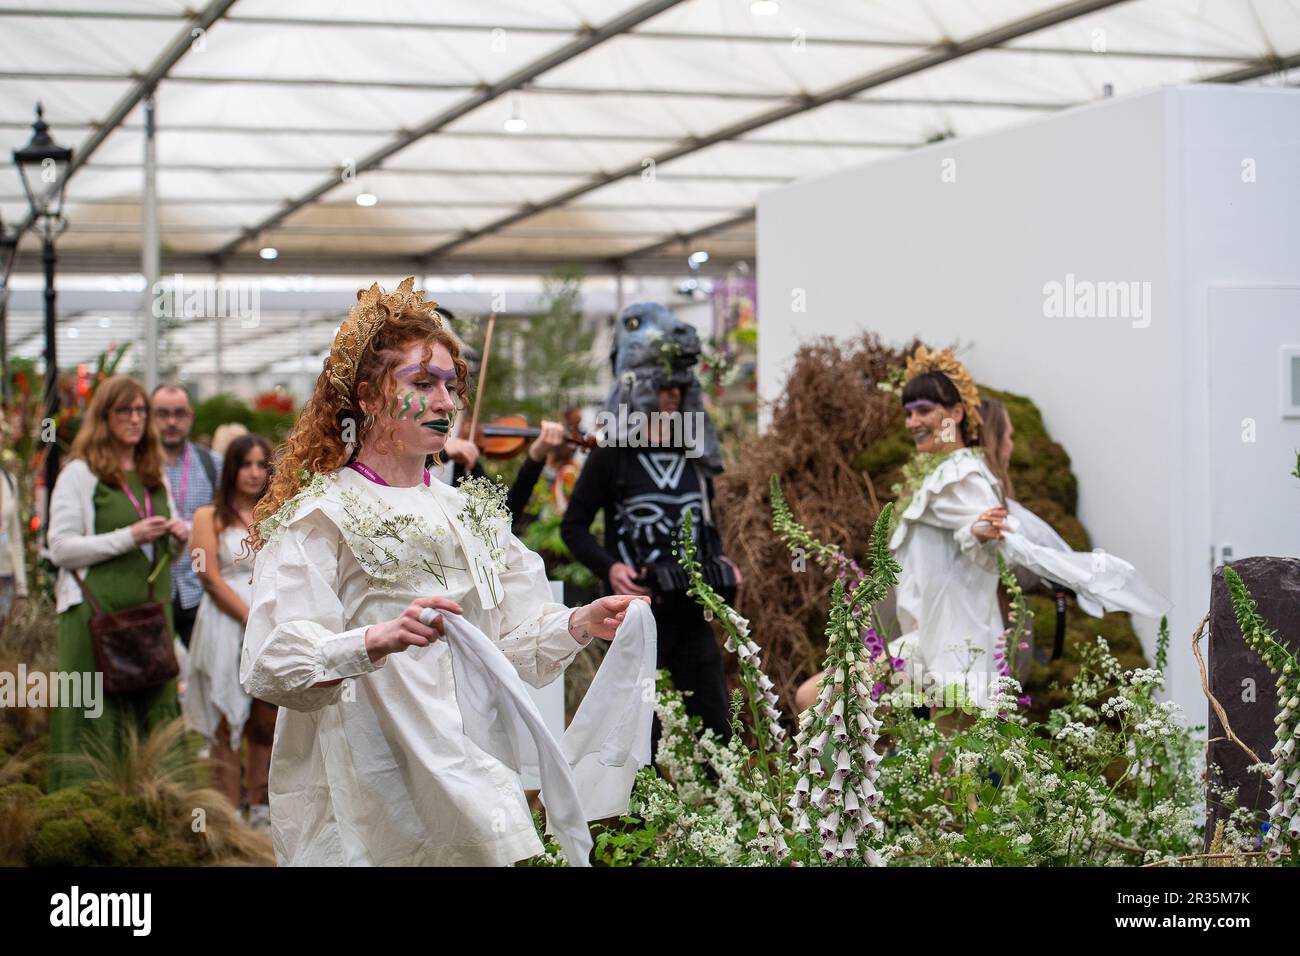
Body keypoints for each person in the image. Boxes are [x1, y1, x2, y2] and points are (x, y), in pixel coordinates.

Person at [240, 277, 645, 866]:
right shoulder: (321, 512)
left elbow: (513, 643)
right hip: (366, 783)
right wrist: (373, 640)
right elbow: (272, 663)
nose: (445, 402)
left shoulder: (471, 512)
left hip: (466, 766)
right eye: (422, 383)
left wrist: (583, 621)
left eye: (451, 386)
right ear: (369, 397)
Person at [562, 381, 738, 745]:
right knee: (639, 734)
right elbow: (572, 527)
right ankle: (641, 803)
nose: (671, 394)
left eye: (679, 385)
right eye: (663, 384)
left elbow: (707, 524)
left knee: (717, 728)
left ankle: (726, 801)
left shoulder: (695, 454)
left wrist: (721, 563)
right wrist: (609, 567)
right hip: (633, 615)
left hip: (691, 611)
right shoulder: (612, 454)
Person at [46, 375, 189, 789]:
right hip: (95, 618)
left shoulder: (153, 474)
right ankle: (84, 810)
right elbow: (60, 548)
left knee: (154, 708)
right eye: (123, 411)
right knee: (93, 712)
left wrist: (176, 540)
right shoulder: (79, 473)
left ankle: (159, 811)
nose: (134, 419)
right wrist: (130, 536)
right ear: (104, 417)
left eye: (140, 411)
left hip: (149, 617)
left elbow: (161, 558)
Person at [183, 433, 275, 828]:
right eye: (246, 464)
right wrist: (247, 617)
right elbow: (208, 577)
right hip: (225, 623)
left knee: (265, 719)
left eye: (261, 465)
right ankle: (225, 813)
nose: (254, 473)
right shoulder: (209, 517)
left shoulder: (277, 512)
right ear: (231, 470)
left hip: (269, 622)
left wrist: (267, 621)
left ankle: (261, 809)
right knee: (224, 717)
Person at [151, 384, 222, 649]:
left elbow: (229, 520)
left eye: (179, 414)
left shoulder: (213, 464)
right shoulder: (137, 467)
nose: (171, 422)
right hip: (153, 593)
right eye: (162, 414)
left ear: (190, 417)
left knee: (206, 678)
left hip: (200, 590)